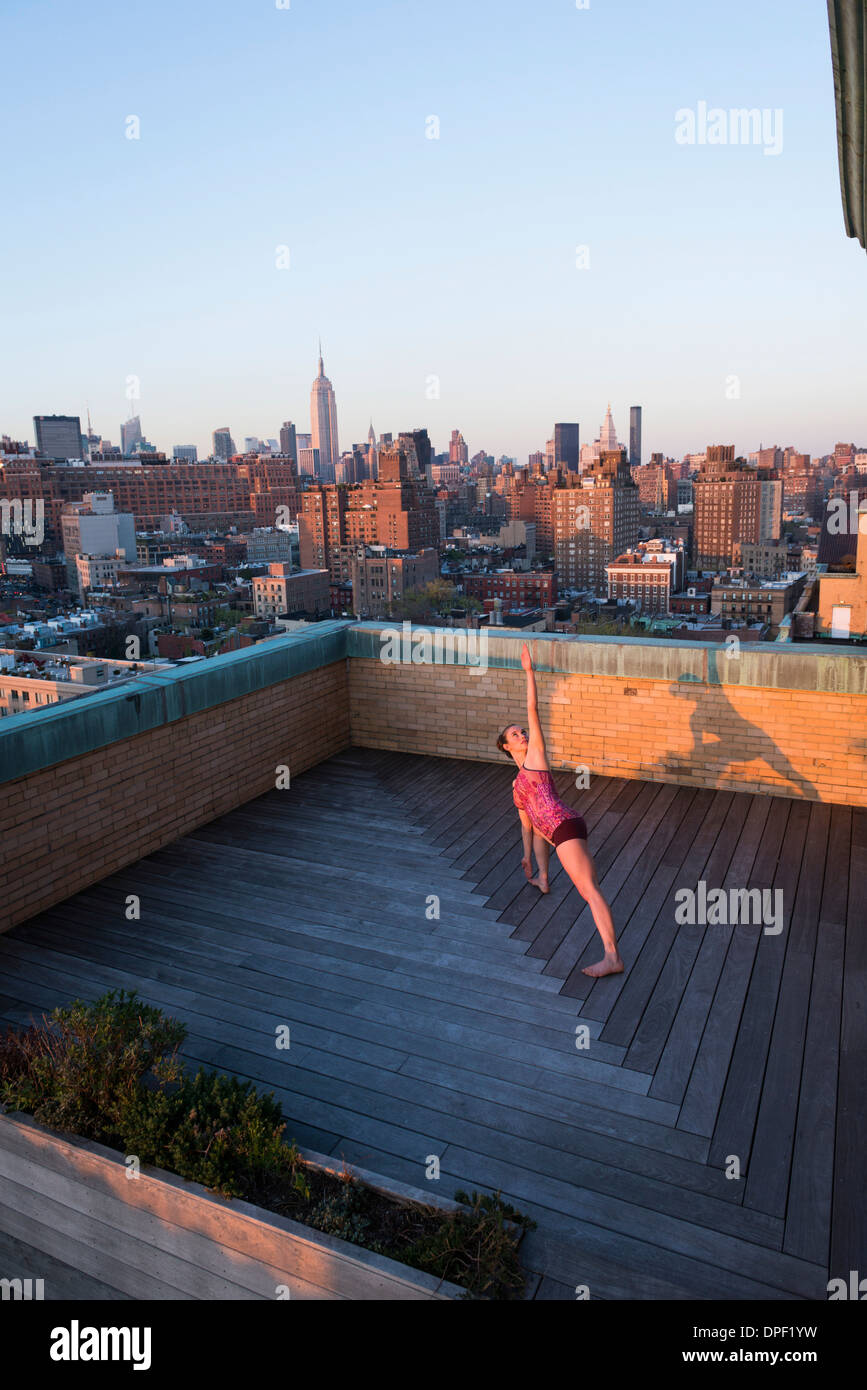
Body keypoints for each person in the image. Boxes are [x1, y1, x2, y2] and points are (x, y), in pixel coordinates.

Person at [496, 641, 624, 979]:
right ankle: (543, 877)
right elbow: (528, 825)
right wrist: (527, 859)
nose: (522, 734)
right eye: (515, 734)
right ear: (506, 747)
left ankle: (612, 956)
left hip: (566, 827)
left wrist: (529, 672)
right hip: (556, 829)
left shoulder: (536, 758)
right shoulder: (516, 786)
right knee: (539, 831)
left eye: (521, 731)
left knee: (589, 891)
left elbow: (533, 708)